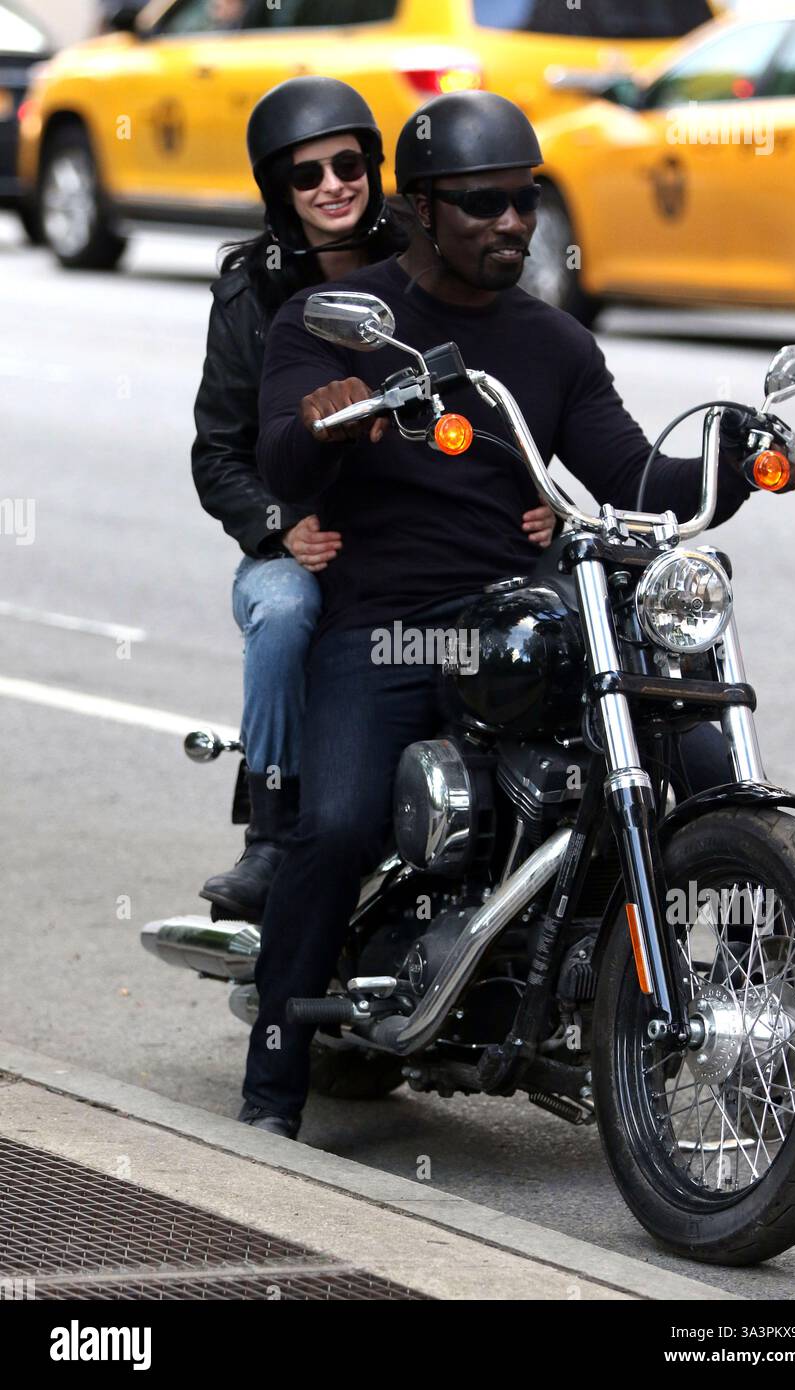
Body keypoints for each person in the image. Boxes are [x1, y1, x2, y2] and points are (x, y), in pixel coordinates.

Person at [240, 91, 795, 1139]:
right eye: (483, 202)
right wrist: (321, 422)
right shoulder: (336, 321)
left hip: (522, 608)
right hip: (395, 621)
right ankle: (272, 1080)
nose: (510, 222)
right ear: (423, 209)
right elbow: (279, 458)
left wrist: (739, 458)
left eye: (525, 200)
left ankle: (738, 1008)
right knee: (342, 823)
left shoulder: (552, 342)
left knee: (695, 743)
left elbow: (635, 474)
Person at [192, 78, 554, 920]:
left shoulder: (429, 250)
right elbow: (217, 453)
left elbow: (513, 387)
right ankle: (276, 830)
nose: (332, 186)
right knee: (281, 609)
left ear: (375, 167)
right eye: (306, 174)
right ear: (278, 193)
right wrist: (279, 526)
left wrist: (534, 493)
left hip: (422, 529)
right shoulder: (250, 294)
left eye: (347, 163)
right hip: (311, 538)